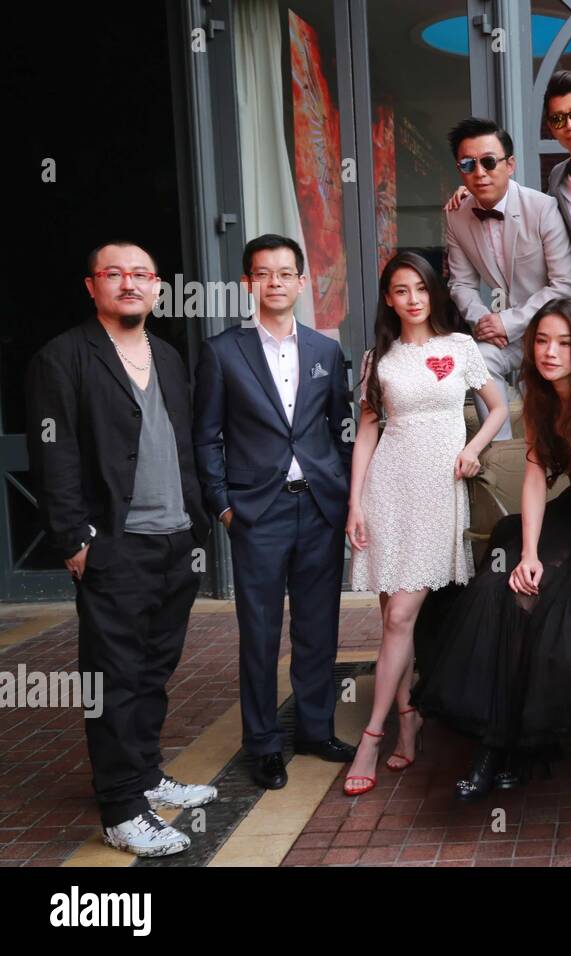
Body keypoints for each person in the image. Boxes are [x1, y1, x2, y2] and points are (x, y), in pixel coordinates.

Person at [25, 241, 215, 857]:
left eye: (141, 274)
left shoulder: (168, 355)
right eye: (115, 274)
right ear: (92, 286)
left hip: (175, 540)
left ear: (157, 286)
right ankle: (122, 809)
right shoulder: (63, 357)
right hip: (114, 546)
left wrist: (196, 524)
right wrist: (75, 538)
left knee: (154, 671)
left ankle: (146, 775)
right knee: (113, 679)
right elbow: (53, 453)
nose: (129, 283)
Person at [415, 297, 571, 800]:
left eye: (564, 343)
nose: (550, 352)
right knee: (504, 587)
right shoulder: (537, 398)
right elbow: (535, 478)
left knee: (541, 604)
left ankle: (500, 750)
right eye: (542, 341)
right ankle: (504, 748)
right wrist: (530, 552)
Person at [193, 234, 357, 790]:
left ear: (302, 281)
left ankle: (314, 729)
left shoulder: (325, 351)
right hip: (256, 513)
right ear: (248, 283)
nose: (275, 282)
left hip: (318, 508)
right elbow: (206, 436)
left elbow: (341, 427)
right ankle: (263, 744)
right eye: (263, 273)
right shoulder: (222, 352)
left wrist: (340, 489)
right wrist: (223, 505)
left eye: (285, 273)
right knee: (259, 634)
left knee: (318, 628)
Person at [342, 252, 507, 797]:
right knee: (393, 616)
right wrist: (355, 503)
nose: (412, 299)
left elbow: (498, 409)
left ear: (433, 292)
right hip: (387, 487)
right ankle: (408, 718)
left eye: (420, 288)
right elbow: (367, 432)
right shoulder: (379, 357)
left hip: (438, 490)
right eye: (400, 290)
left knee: (401, 615)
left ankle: (372, 736)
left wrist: (473, 448)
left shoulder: (460, 347)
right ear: (388, 299)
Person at [446, 71, 571, 291]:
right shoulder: (557, 174)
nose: (569, 125)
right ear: (551, 128)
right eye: (558, 119)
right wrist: (477, 191)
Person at [444, 116, 571, 438]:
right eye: (468, 164)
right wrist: (483, 320)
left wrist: (507, 322)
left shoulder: (542, 208)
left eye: (489, 162)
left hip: (548, 326)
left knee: (547, 420)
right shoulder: (456, 215)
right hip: (503, 335)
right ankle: (499, 450)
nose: (479, 172)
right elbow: (461, 283)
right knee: (478, 358)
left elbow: (564, 284)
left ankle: (551, 450)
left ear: (510, 164)